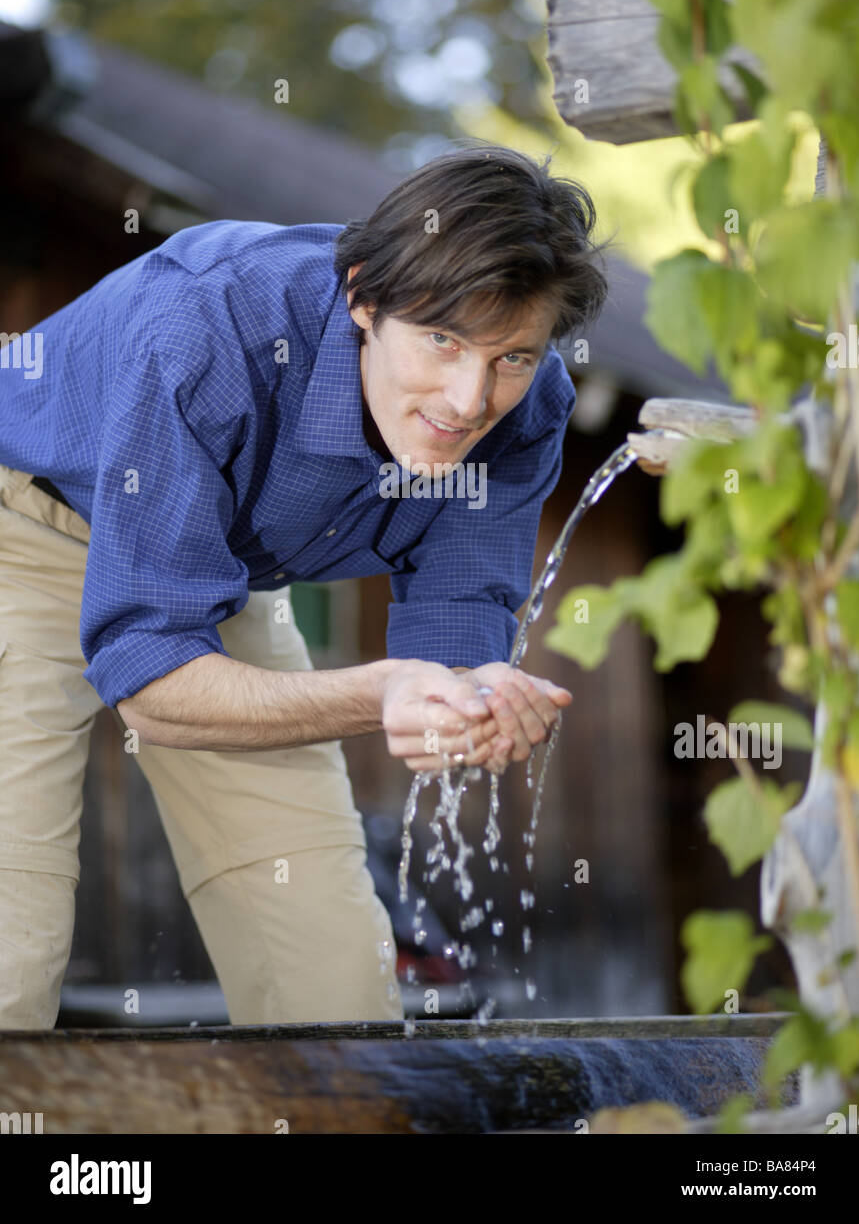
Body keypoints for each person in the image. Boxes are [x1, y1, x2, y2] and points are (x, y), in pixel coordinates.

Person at [0, 140, 607, 1030]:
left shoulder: (533, 406)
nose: (470, 400)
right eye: (440, 341)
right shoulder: (208, 324)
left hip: (215, 572)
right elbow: (155, 689)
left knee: (333, 976)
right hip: (23, 522)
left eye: (510, 357)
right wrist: (383, 690)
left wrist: (466, 697)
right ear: (363, 296)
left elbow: (456, 613)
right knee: (13, 948)